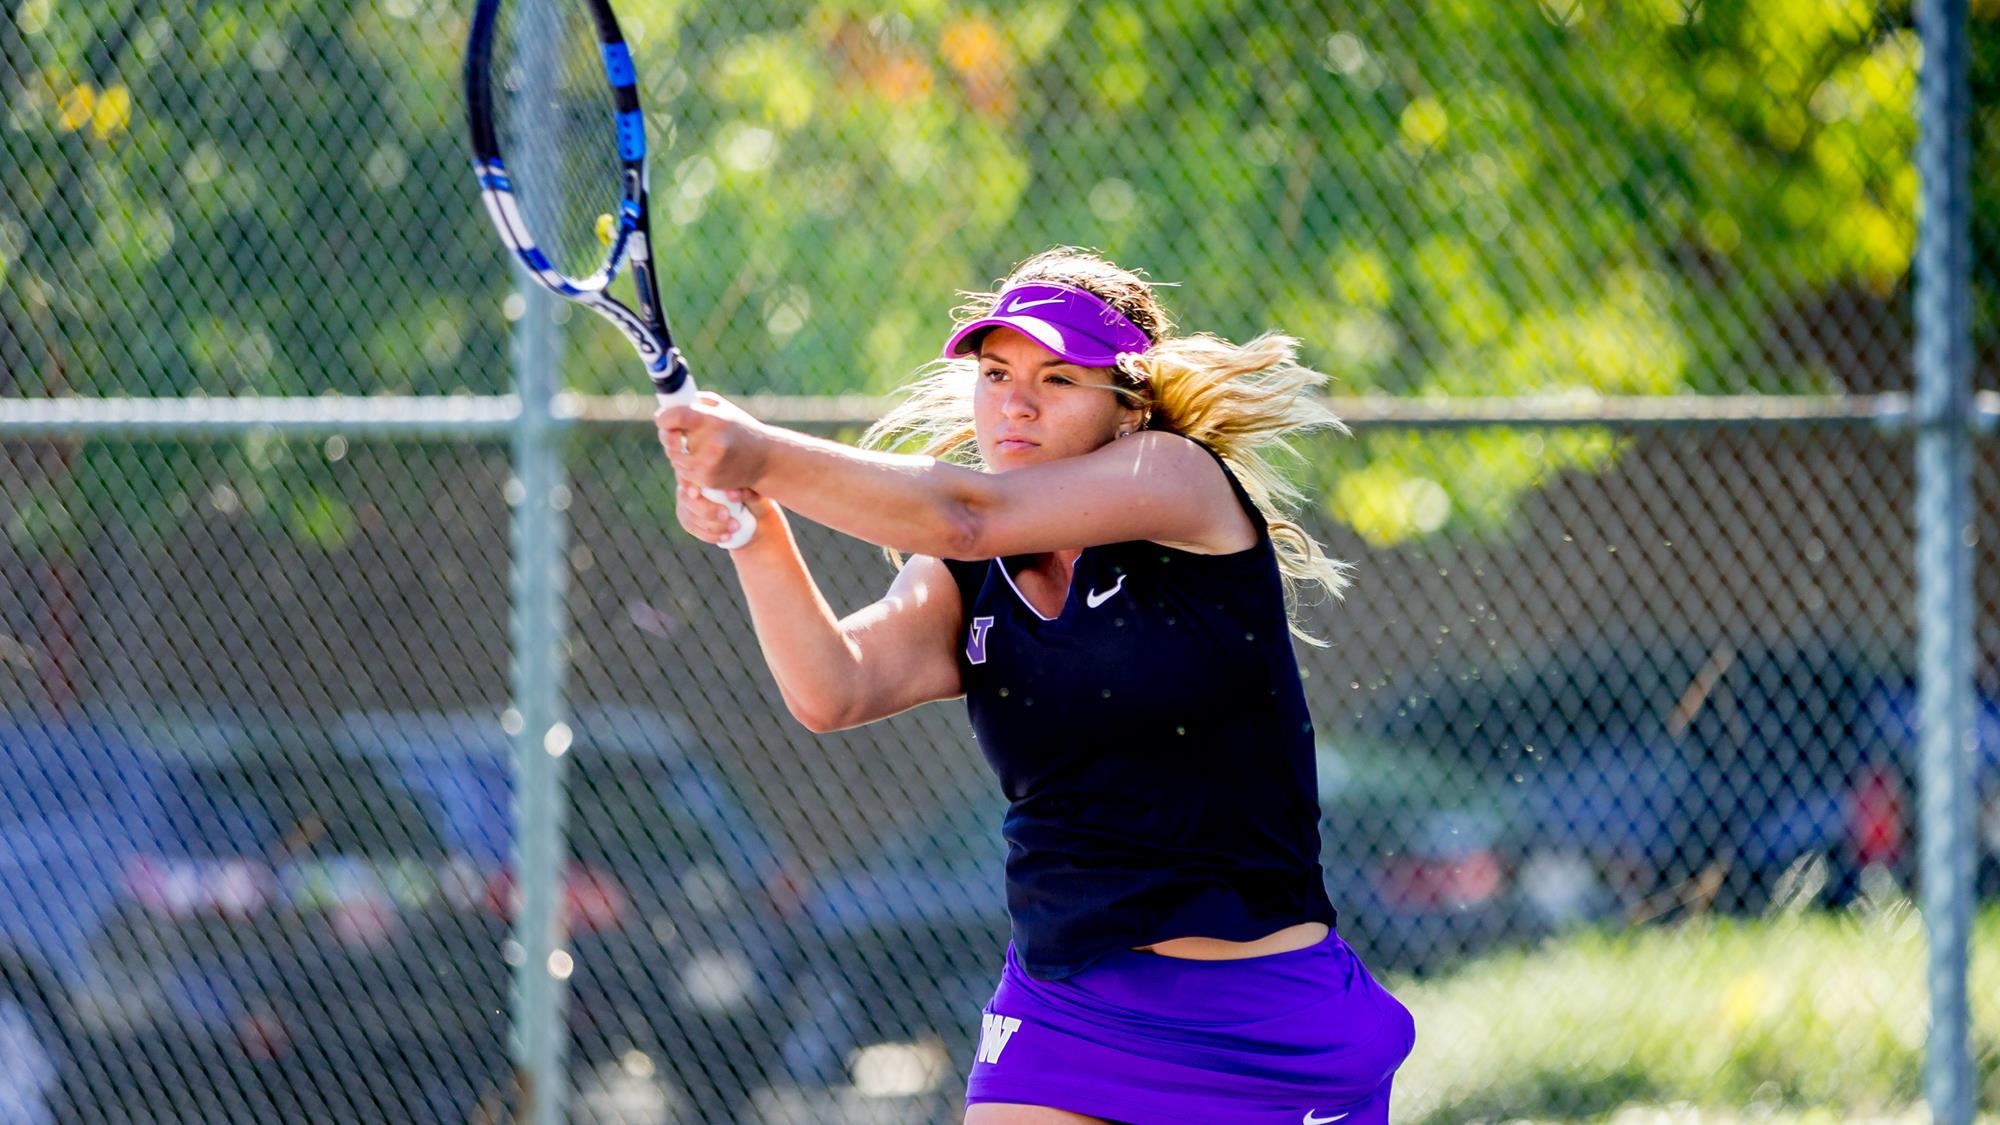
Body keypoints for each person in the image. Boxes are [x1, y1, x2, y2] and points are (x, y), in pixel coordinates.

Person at [657, 247, 1416, 1124]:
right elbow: (835, 686)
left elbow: (968, 512)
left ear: (1129, 411)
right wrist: (754, 524)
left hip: (1263, 1017)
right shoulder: (965, 574)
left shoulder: (1177, 481)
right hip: (1066, 1004)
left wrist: (758, 449)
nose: (1015, 401)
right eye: (995, 372)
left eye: (1058, 377)